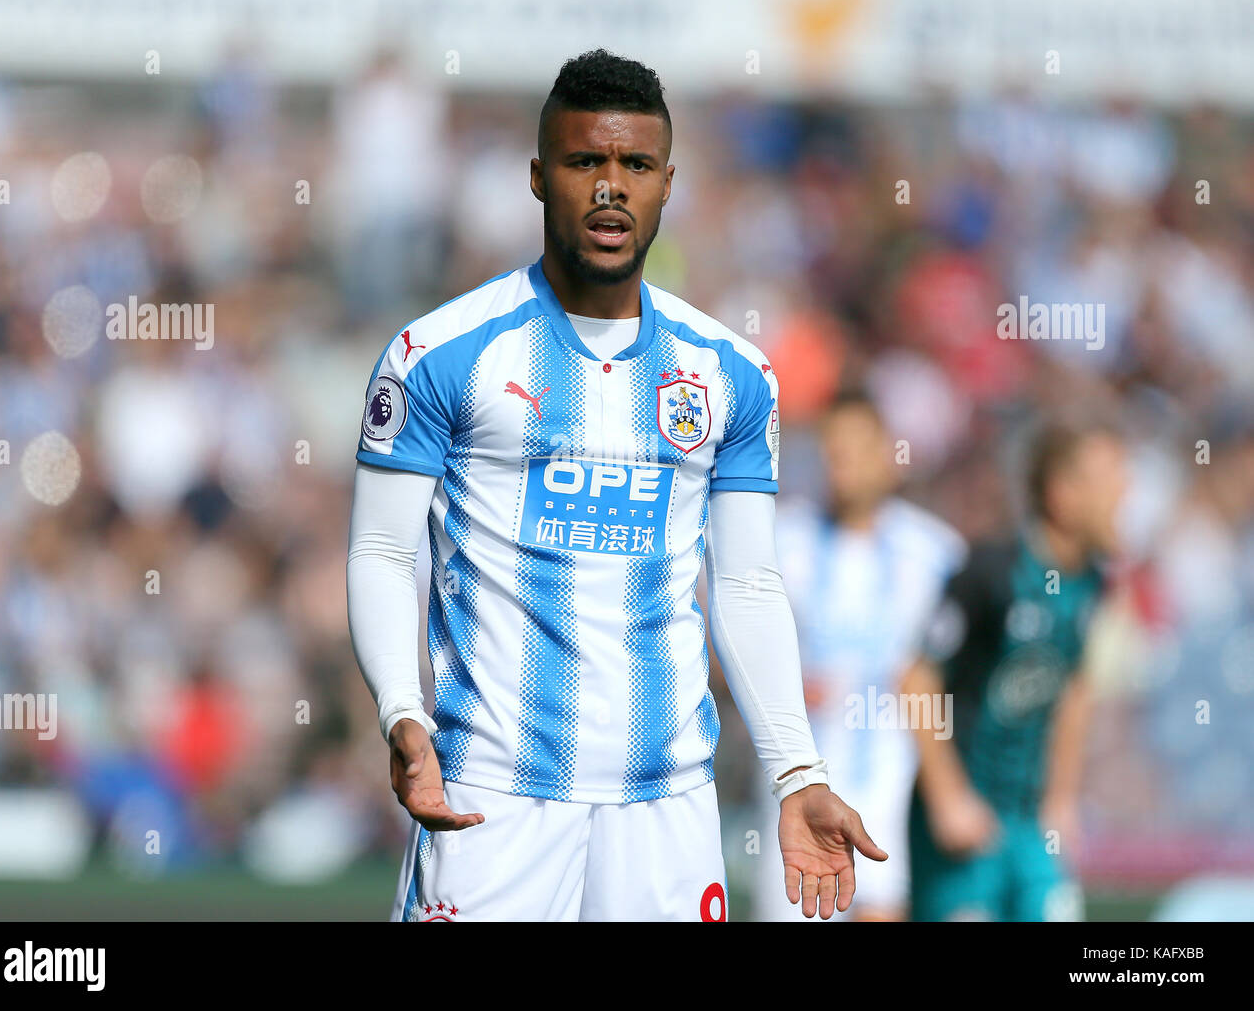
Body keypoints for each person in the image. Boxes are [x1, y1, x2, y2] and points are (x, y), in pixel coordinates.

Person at [346, 49, 884, 922]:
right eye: (584, 162)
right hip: (493, 793)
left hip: (667, 807)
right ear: (537, 176)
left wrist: (797, 772)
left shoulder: (732, 375)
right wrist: (402, 714)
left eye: (634, 165)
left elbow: (745, 582)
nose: (609, 187)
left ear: (668, 183)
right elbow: (378, 550)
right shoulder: (439, 355)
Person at [753, 388, 965, 921]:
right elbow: (724, 656)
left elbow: (936, 681)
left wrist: (946, 788)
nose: (842, 463)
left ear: (887, 455)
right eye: (833, 449)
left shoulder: (935, 554)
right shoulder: (781, 542)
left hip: (887, 788)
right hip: (795, 786)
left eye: (856, 448)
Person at [903, 420, 1127, 921]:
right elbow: (917, 679)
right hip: (967, 823)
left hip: (1030, 826)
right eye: (1109, 478)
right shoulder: (990, 572)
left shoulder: (1092, 583)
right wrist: (948, 798)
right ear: (1062, 493)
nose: (1124, 491)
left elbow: (1073, 688)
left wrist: (1062, 799)